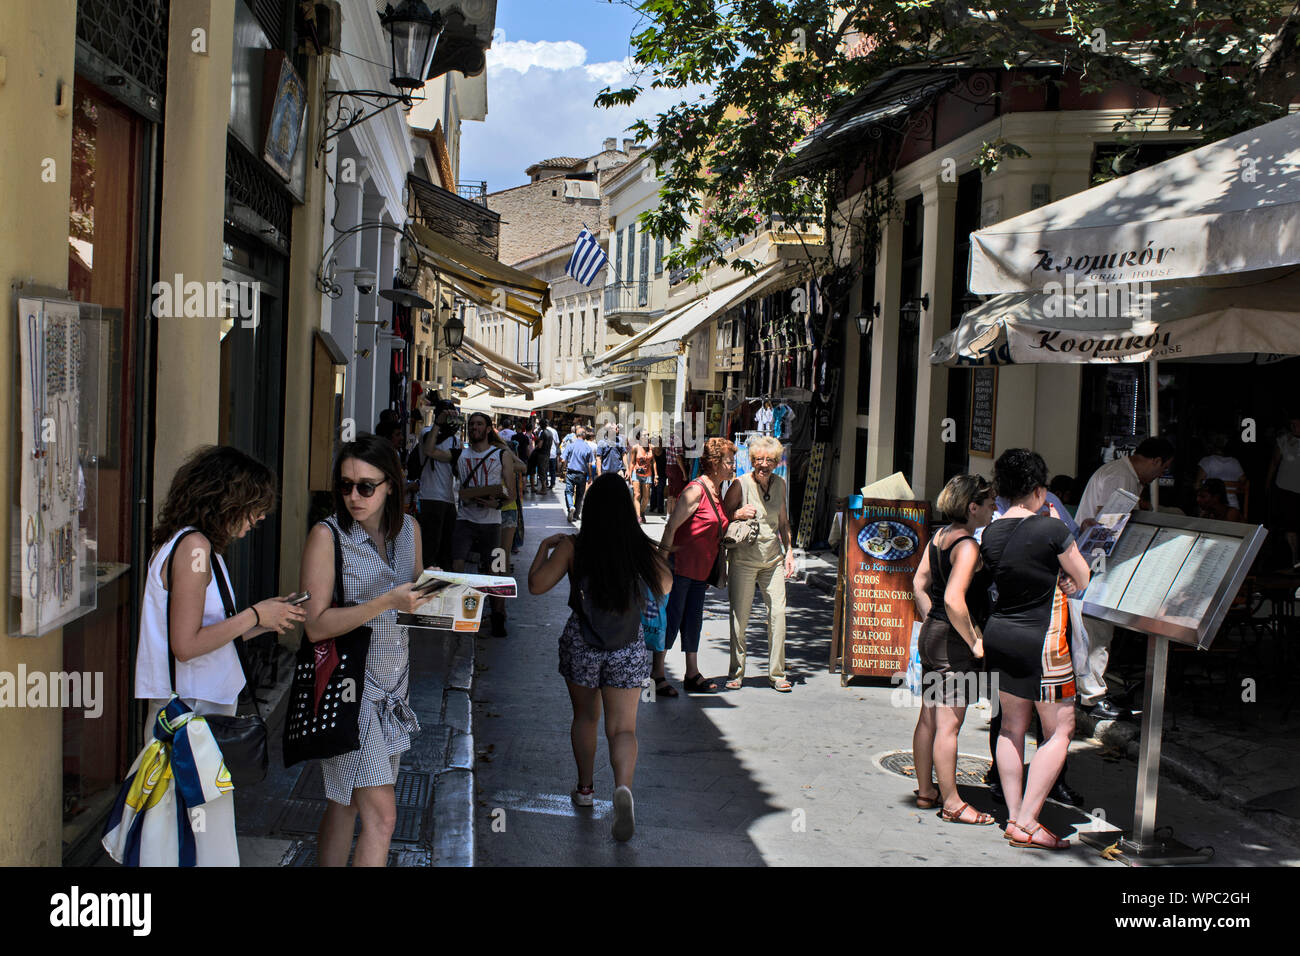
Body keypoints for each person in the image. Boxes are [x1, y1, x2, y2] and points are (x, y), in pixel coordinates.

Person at [133, 445, 307, 866]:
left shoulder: (199, 547)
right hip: (189, 718)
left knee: (188, 840)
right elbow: (187, 645)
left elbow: (206, 638)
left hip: (197, 715)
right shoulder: (194, 549)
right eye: (255, 507)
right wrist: (253, 614)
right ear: (228, 499)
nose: (260, 518)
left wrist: (263, 621)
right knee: (191, 844)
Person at [297, 433, 427, 867]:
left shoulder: (409, 530)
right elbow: (315, 626)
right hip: (349, 688)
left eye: (366, 486)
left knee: (345, 804)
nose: (354, 496)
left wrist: (454, 605)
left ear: (391, 484)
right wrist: (387, 600)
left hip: (395, 685)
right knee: (383, 818)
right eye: (346, 486)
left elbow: (415, 604)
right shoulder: (327, 535)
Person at [527, 473, 672, 842]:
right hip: (626, 645)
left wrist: (544, 548)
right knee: (623, 729)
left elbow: (536, 586)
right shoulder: (637, 547)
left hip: (582, 644)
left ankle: (586, 789)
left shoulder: (573, 546)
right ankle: (622, 788)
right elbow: (666, 584)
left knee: (585, 717)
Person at [980, 449, 1091, 850]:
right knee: (1059, 729)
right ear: (1038, 489)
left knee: (1010, 726)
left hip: (1001, 633)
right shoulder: (1051, 529)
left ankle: (1013, 817)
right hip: (1043, 638)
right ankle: (1028, 820)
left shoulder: (990, 532)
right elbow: (1082, 576)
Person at [911, 474, 996, 824]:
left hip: (932, 635)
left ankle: (926, 791)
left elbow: (919, 583)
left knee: (929, 716)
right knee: (949, 724)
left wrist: (931, 619)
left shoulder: (939, 537)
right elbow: (953, 598)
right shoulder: (968, 546)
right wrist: (974, 640)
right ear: (972, 507)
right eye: (989, 504)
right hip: (954, 643)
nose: (994, 510)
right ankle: (953, 802)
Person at [1074, 436, 1175, 720]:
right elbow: (1104, 525)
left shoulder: (1124, 475)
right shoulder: (1121, 477)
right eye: (1162, 469)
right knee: (1096, 633)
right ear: (1155, 461)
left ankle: (1089, 692)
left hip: (1098, 562)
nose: (1160, 476)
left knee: (1096, 632)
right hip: (1096, 562)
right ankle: (1090, 697)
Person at [655, 437, 735, 696]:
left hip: (701, 570)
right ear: (715, 463)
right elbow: (671, 527)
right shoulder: (695, 490)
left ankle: (692, 672)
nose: (734, 465)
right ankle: (657, 674)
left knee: (693, 622)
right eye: (729, 461)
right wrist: (660, 565)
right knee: (672, 620)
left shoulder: (718, 490)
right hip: (680, 567)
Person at [723, 435, 797, 692]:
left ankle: (777, 674)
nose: (763, 464)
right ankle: (736, 672)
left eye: (769, 460)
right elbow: (722, 517)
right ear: (752, 461)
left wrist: (790, 553)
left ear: (776, 462)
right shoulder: (740, 484)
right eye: (758, 459)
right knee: (739, 618)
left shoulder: (781, 484)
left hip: (773, 559)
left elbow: (784, 522)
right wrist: (738, 513)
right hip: (743, 559)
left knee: (777, 615)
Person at [452, 412, 511, 636]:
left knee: (495, 571)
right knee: (457, 567)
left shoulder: (500, 454)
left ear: (488, 429)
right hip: (464, 519)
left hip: (492, 522)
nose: (475, 427)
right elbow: (429, 451)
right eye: (472, 424)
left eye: (479, 424)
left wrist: (494, 503)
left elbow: (511, 493)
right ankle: (463, 614)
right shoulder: (459, 454)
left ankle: (498, 617)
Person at [415, 399, 462, 571]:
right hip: (431, 495)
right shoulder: (428, 432)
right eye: (445, 414)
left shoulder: (455, 440)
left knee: (447, 545)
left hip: (449, 498)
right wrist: (438, 424)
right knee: (430, 543)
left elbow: (455, 463)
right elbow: (428, 450)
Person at [1266, 412, 1300, 567]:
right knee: (1288, 527)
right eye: (1292, 424)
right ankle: (1293, 560)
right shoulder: (1284, 440)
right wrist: (1267, 484)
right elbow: (1274, 463)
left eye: (1297, 424)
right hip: (1285, 489)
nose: (1295, 427)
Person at [1195, 432, 1245, 511]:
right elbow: (1243, 482)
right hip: (1232, 507)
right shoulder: (1235, 462)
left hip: (1209, 508)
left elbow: (1197, 485)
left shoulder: (1207, 461)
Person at [564, 426, 597, 522]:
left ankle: (570, 507)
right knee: (579, 495)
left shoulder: (571, 445)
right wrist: (590, 476)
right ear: (584, 435)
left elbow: (563, 459)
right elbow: (590, 464)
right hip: (582, 474)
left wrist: (563, 468)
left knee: (568, 492)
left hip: (570, 473)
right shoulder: (587, 447)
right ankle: (575, 515)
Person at [629, 434, 656, 524]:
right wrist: (629, 473)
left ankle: (642, 512)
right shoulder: (635, 448)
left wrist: (656, 475)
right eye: (644, 435)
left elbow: (654, 462)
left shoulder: (652, 447)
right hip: (636, 474)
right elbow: (632, 462)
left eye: (647, 435)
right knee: (637, 495)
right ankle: (638, 516)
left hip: (648, 474)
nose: (646, 437)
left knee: (646, 497)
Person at [665, 419, 689, 515]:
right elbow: (678, 457)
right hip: (676, 468)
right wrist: (684, 472)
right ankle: (674, 515)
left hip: (669, 466)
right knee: (676, 493)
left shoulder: (670, 437)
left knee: (671, 492)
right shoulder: (678, 439)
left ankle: (668, 514)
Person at [650, 435, 667, 515]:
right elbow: (652, 463)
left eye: (660, 442)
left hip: (663, 474)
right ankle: (652, 506)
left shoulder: (665, 451)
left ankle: (660, 508)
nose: (659, 444)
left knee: (660, 490)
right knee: (654, 490)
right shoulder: (652, 451)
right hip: (654, 474)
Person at [544, 419, 561, 490]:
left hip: (545, 453)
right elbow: (557, 442)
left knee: (545, 469)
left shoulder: (542, 431)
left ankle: (545, 483)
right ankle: (552, 483)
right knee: (552, 469)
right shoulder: (554, 431)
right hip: (553, 453)